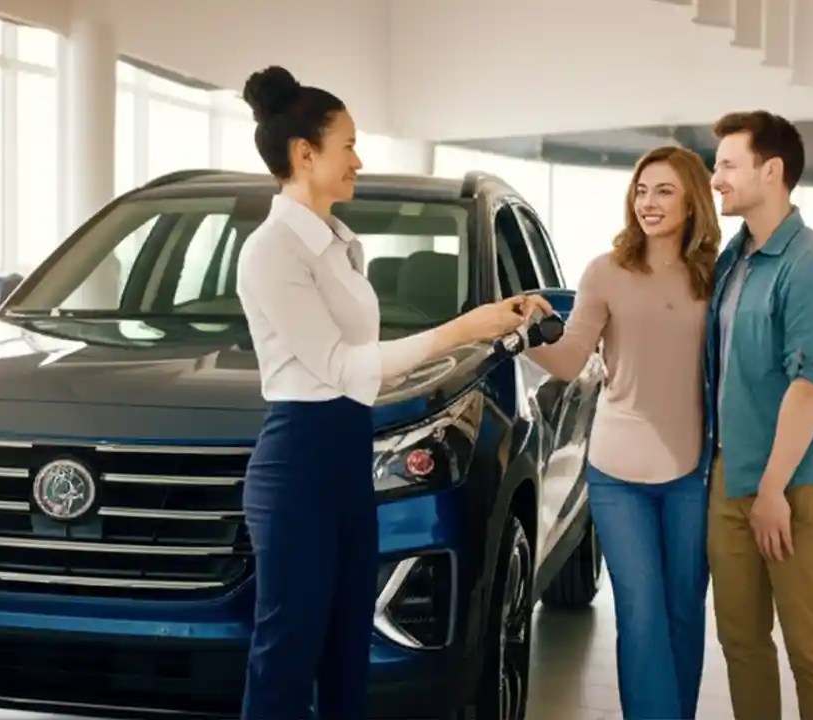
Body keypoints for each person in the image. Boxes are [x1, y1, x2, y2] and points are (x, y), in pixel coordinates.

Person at [233, 65, 552, 720]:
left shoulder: (340, 244)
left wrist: (487, 333)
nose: (358, 158)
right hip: (299, 464)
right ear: (304, 154)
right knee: (287, 657)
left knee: (346, 650)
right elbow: (339, 367)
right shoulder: (271, 251)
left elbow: (368, 369)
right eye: (347, 144)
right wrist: (466, 325)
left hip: (349, 457)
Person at [525, 145, 721, 720]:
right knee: (640, 612)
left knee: (685, 610)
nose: (649, 203)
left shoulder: (716, 273)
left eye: (664, 191)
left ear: (691, 200)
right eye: (641, 190)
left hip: (692, 469)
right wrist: (522, 333)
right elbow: (569, 359)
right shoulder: (605, 271)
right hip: (617, 472)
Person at [706, 110, 813, 720]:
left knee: (810, 649)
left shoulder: (811, 264)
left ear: (772, 171)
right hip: (730, 477)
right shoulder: (733, 260)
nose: (716, 180)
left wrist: (772, 491)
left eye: (727, 165)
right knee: (741, 644)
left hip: (793, 488)